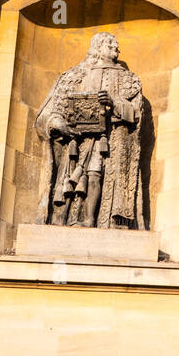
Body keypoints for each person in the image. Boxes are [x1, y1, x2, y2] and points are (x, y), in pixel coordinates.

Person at [34, 32, 146, 229]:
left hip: (110, 143)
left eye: (116, 45)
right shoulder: (74, 75)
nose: (116, 48)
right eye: (110, 44)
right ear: (97, 47)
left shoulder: (129, 79)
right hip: (76, 142)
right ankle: (67, 219)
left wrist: (114, 103)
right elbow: (51, 111)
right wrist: (57, 123)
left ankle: (93, 221)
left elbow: (136, 114)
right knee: (73, 179)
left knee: (96, 174)